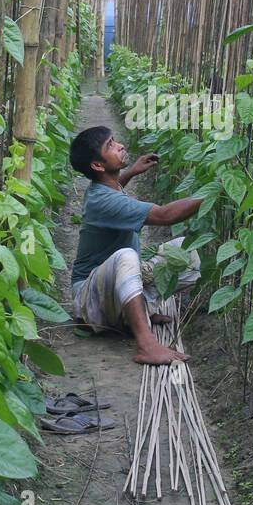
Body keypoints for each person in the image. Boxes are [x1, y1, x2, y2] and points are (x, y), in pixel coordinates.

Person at [67, 125, 202, 365]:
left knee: (186, 249)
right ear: (98, 165)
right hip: (89, 299)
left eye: (115, 140)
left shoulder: (102, 189)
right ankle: (146, 344)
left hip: (110, 294)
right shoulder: (101, 201)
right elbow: (164, 216)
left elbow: (115, 191)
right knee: (127, 256)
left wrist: (130, 172)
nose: (119, 145)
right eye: (110, 145)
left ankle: (136, 313)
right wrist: (212, 192)